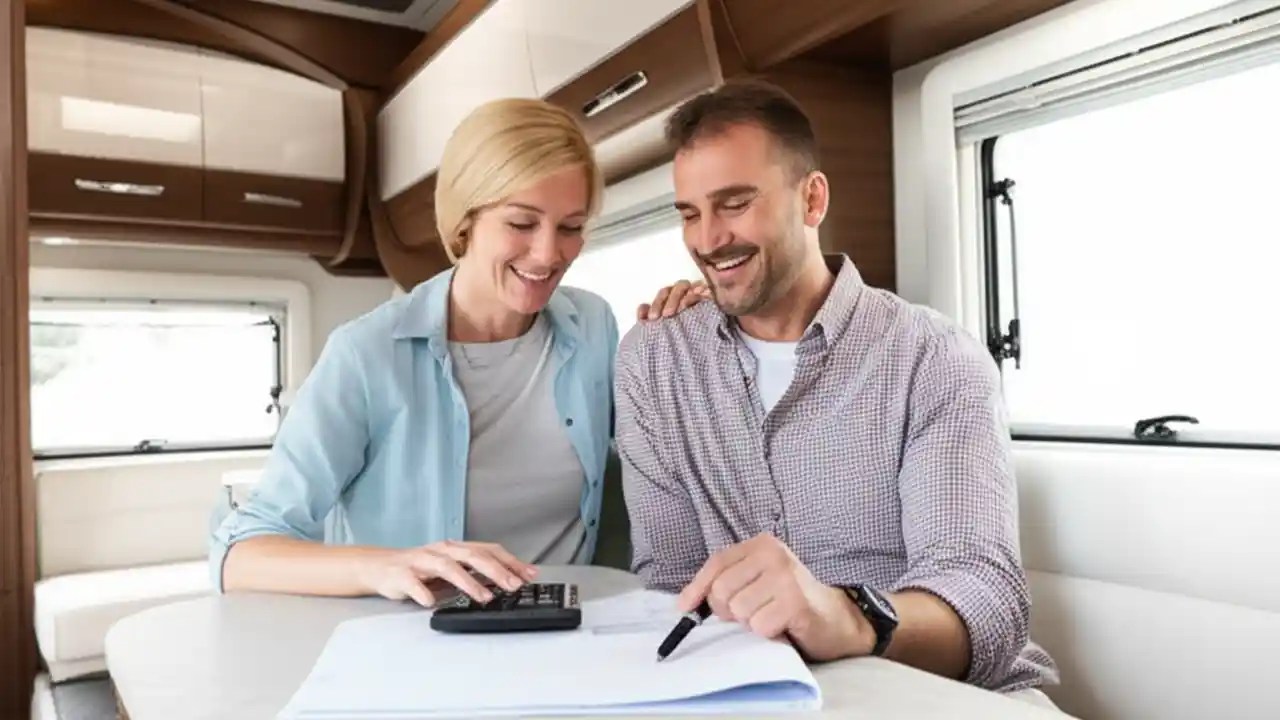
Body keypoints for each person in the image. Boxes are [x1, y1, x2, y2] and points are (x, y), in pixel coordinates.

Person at [615, 80, 1060, 705]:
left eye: (735, 203)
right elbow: (671, 583)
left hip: (942, 692)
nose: (708, 240)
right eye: (690, 213)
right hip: (751, 690)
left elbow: (983, 600)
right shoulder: (653, 361)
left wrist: (848, 617)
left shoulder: (934, 357)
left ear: (812, 199)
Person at [209, 97, 699, 606]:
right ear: (466, 220)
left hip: (564, 634)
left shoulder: (593, 325)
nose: (549, 253)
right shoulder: (367, 355)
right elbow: (239, 553)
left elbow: (665, 451)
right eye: (522, 223)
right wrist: (386, 566)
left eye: (571, 227)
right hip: (414, 645)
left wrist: (693, 323)